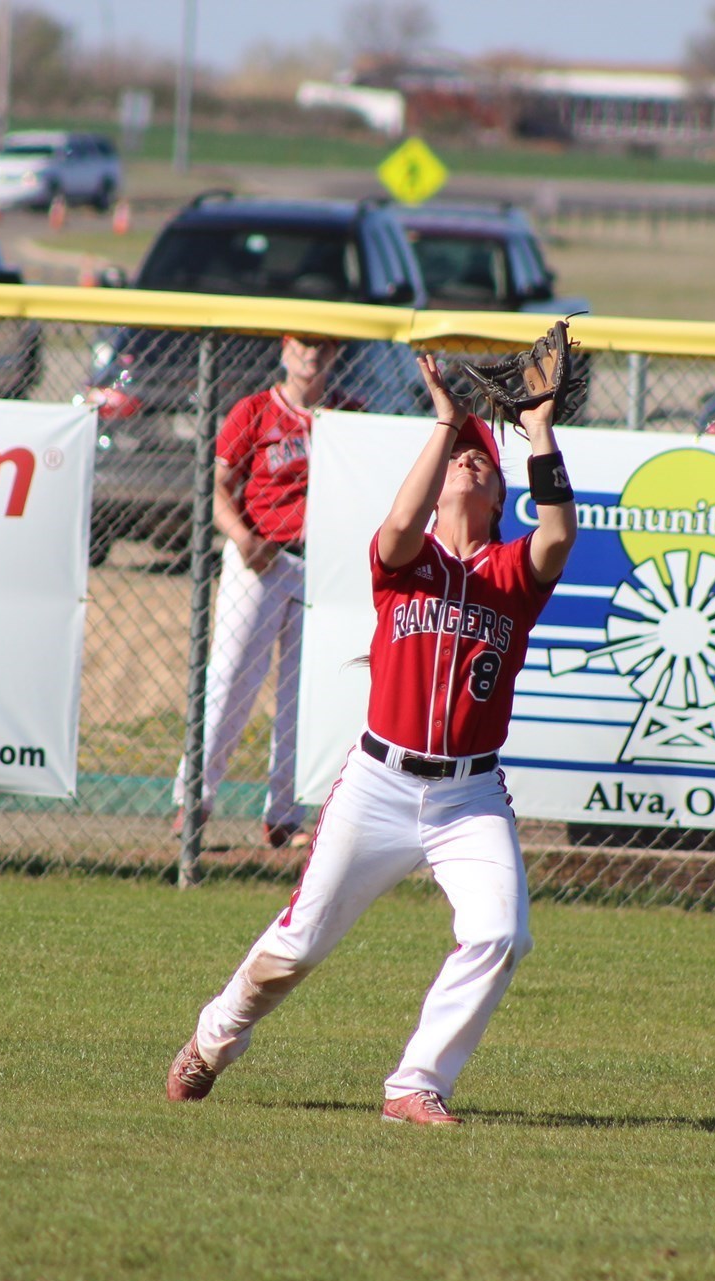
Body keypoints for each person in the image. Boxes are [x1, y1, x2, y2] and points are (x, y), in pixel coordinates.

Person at [165, 351, 578, 1126]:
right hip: (379, 783)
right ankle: (213, 1036)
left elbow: (559, 532)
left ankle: (415, 1083)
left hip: (470, 795)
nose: (466, 464)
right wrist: (447, 422)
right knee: (295, 949)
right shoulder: (407, 562)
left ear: (499, 492)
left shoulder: (515, 575)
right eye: (457, 456)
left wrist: (540, 432)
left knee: (502, 932)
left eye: (480, 461)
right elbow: (396, 525)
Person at [174, 333, 353, 850]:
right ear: (283, 349)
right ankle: (193, 802)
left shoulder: (350, 415)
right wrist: (243, 537)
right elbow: (216, 487)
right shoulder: (254, 410)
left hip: (323, 568)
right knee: (230, 681)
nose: (311, 354)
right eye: (302, 343)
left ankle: (284, 816)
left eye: (323, 346)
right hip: (260, 558)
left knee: (303, 696)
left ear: (336, 355)